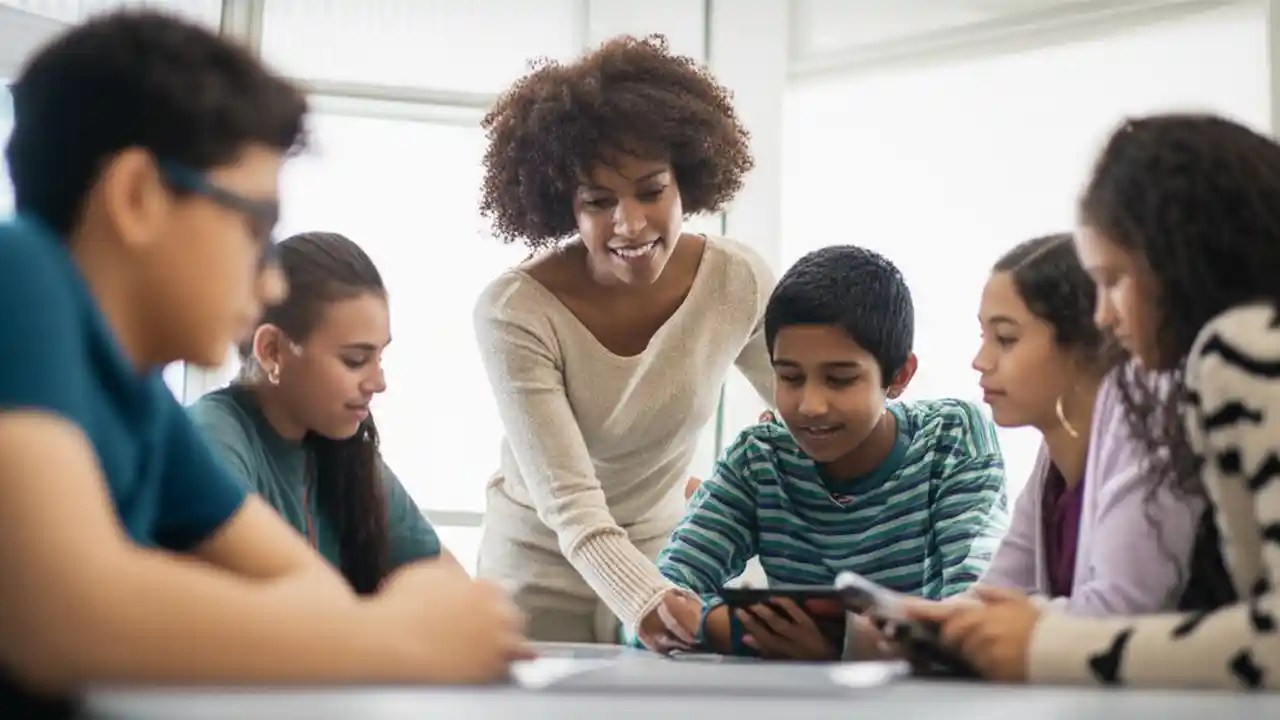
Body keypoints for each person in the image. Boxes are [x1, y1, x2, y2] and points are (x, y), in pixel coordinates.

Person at [0, 12, 526, 715]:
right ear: (137, 197)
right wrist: (398, 638)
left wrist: (379, 624)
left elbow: (315, 595)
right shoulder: (19, 274)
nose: (272, 283)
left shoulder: (142, 400)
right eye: (254, 226)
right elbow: (62, 615)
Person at [914, 114, 1280, 689]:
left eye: (1115, 281)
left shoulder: (1244, 352)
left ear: (1183, 263)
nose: (1104, 317)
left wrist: (1043, 647)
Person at [473, 34, 776, 650]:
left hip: (671, 560)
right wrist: (649, 601)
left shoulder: (735, 281)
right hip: (536, 574)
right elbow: (570, 502)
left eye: (651, 190)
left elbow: (807, 408)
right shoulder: (515, 312)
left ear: (687, 180)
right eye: (599, 201)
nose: (629, 223)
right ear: (565, 205)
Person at [650, 245, 1010, 659]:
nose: (810, 405)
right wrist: (759, 636)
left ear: (898, 376)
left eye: (839, 380)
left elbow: (976, 614)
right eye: (790, 377)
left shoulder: (952, 439)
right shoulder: (759, 460)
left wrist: (842, 646)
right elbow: (654, 605)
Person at [190, 232, 462, 593]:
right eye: (355, 360)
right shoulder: (213, 439)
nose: (378, 382)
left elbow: (449, 584)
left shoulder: (344, 451)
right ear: (272, 350)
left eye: (380, 357)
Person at [973, 234, 1203, 614]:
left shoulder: (1147, 434)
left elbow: (1120, 613)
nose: (981, 360)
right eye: (984, 336)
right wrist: (873, 628)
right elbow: (995, 594)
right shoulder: (1052, 460)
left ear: (1085, 346)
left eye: (1005, 338)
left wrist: (989, 625)